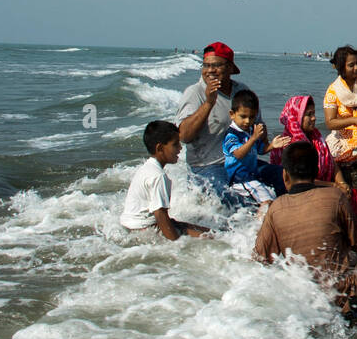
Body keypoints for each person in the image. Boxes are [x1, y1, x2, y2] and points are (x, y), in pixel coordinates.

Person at [254, 141, 357, 309]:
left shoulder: (275, 208)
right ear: (317, 171)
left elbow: (260, 259)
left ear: (285, 175)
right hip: (341, 291)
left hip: (304, 295)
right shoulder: (334, 196)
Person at [177, 42, 259, 190]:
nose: (210, 70)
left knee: (281, 178)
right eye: (206, 65)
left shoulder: (241, 90)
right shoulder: (195, 93)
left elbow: (258, 125)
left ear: (230, 67)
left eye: (216, 65)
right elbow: (184, 136)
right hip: (207, 167)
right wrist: (209, 103)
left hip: (241, 163)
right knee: (233, 196)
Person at [121, 121, 209, 240]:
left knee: (208, 231)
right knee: (210, 238)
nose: (180, 148)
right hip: (144, 229)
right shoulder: (158, 176)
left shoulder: (147, 168)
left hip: (131, 226)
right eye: (175, 144)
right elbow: (160, 215)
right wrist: (177, 244)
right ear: (160, 148)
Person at [223, 89, 291, 207]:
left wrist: (272, 145)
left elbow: (260, 150)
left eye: (252, 117)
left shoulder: (250, 131)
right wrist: (253, 138)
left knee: (273, 197)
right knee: (267, 202)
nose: (247, 121)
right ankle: (264, 219)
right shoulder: (231, 135)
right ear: (232, 114)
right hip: (240, 179)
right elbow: (238, 154)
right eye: (243, 116)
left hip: (252, 177)